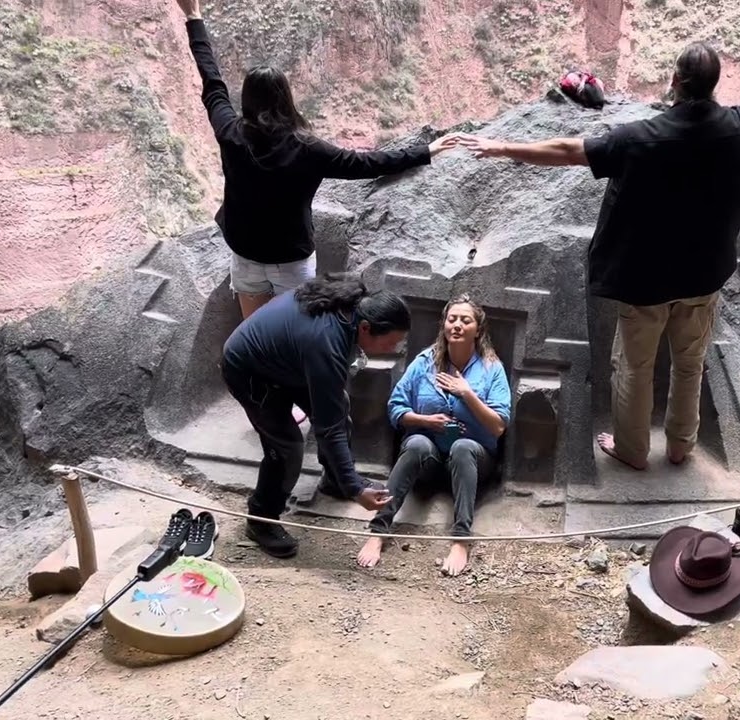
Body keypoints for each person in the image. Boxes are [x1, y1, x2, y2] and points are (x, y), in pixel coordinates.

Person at [457, 18, 740, 471]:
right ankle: (681, 447)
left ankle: (632, 451)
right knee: (690, 365)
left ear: (675, 81)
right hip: (703, 276)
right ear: (716, 86)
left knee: (634, 368)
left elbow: (567, 151)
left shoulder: (640, 138)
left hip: (643, 281)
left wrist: (498, 147)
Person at [175, 0, 462, 320]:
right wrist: (426, 151)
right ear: (286, 99)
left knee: (254, 332)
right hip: (291, 261)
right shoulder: (309, 149)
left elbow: (212, 83)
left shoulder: (230, 134)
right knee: (291, 334)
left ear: (247, 101)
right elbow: (367, 164)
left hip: (246, 256)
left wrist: (194, 17)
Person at [221, 274, 410, 558]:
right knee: (287, 448)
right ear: (366, 328)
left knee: (339, 405)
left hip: (284, 363)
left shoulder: (352, 307)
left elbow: (332, 411)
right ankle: (261, 520)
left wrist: (349, 483)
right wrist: (357, 489)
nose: (394, 349)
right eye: (390, 342)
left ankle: (334, 480)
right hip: (249, 372)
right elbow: (328, 427)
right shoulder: (327, 340)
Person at [356, 294, 511, 576]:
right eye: (452, 319)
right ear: (444, 325)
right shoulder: (424, 362)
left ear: (478, 329)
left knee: (464, 447)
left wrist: (467, 394)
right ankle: (379, 530)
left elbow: (499, 425)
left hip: (472, 463)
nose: (457, 325)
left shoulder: (491, 368)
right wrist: (425, 421)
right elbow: (395, 407)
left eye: (466, 320)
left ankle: (461, 539)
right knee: (415, 442)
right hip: (429, 461)